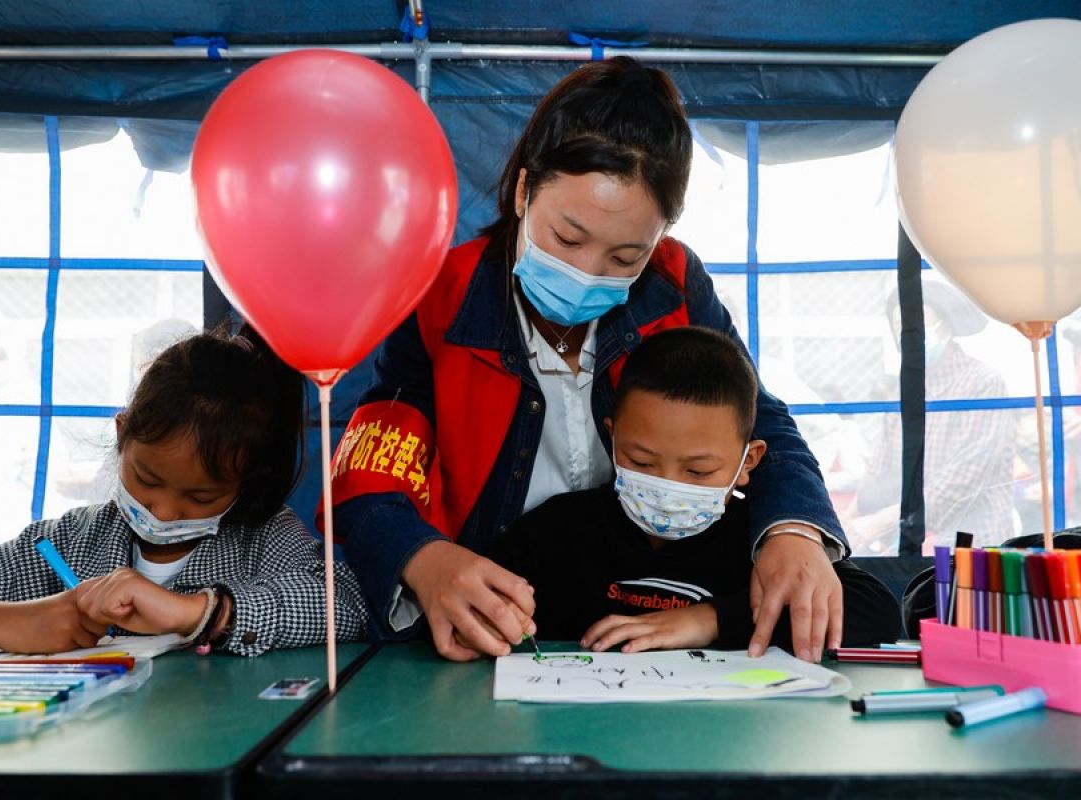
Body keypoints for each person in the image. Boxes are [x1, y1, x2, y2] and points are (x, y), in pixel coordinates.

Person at [329, 56, 849, 663]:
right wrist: (422, 558)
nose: (586, 271)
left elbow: (755, 417)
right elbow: (372, 460)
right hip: (494, 609)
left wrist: (793, 529)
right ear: (524, 191)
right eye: (567, 238)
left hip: (637, 609)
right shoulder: (442, 295)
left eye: (625, 256)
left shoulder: (674, 285)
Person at [0, 326, 368, 655]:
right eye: (147, 480)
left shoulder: (263, 539)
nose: (165, 511)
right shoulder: (69, 544)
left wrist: (197, 612)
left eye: (202, 497)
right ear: (121, 435)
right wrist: (15, 622)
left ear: (247, 482)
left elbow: (344, 603)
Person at [491, 327, 901, 654]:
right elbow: (483, 600)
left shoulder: (756, 544)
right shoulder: (560, 533)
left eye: (698, 471)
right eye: (642, 462)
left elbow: (875, 610)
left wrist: (708, 620)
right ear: (612, 438)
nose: (669, 486)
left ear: (749, 462)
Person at [850, 278, 1016, 553]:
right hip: (911, 533)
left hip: (972, 539)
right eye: (899, 327)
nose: (909, 333)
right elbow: (880, 468)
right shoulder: (902, 390)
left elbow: (963, 480)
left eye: (920, 323)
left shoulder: (982, 383)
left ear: (946, 328)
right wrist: (849, 516)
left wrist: (879, 522)